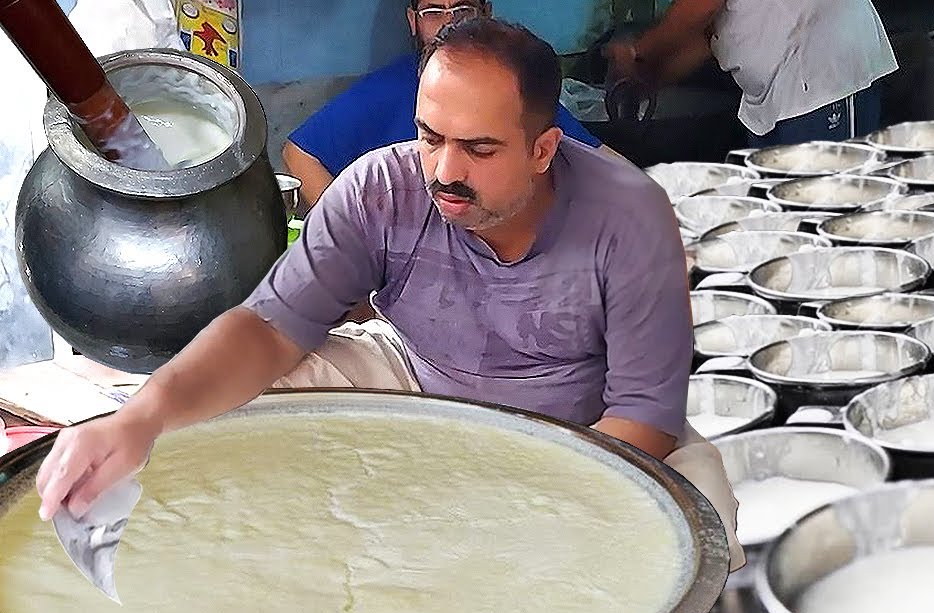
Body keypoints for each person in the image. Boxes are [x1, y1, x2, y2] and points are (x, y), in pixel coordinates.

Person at [36, 18, 743, 573]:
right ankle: (233, 554)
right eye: (430, 137)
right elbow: (265, 331)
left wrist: (496, 501)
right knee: (264, 384)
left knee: (696, 520)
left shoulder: (630, 218)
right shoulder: (380, 187)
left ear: (544, 148)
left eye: (480, 149)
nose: (445, 171)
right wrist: (143, 418)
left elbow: (643, 420)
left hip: (581, 430)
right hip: (420, 376)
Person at [283, 0, 604, 211]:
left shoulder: (511, 87)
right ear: (413, 21)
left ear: (486, 12)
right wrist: (346, 238)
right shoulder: (390, 89)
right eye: (433, 11)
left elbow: (604, 165)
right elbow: (299, 152)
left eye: (462, 9)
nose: (450, 24)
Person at [605, 0, 899, 146]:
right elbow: (707, 36)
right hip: (781, 87)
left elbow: (699, 8)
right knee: (784, 210)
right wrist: (649, 79)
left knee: (827, 205)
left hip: (823, 73)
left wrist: (638, 53)